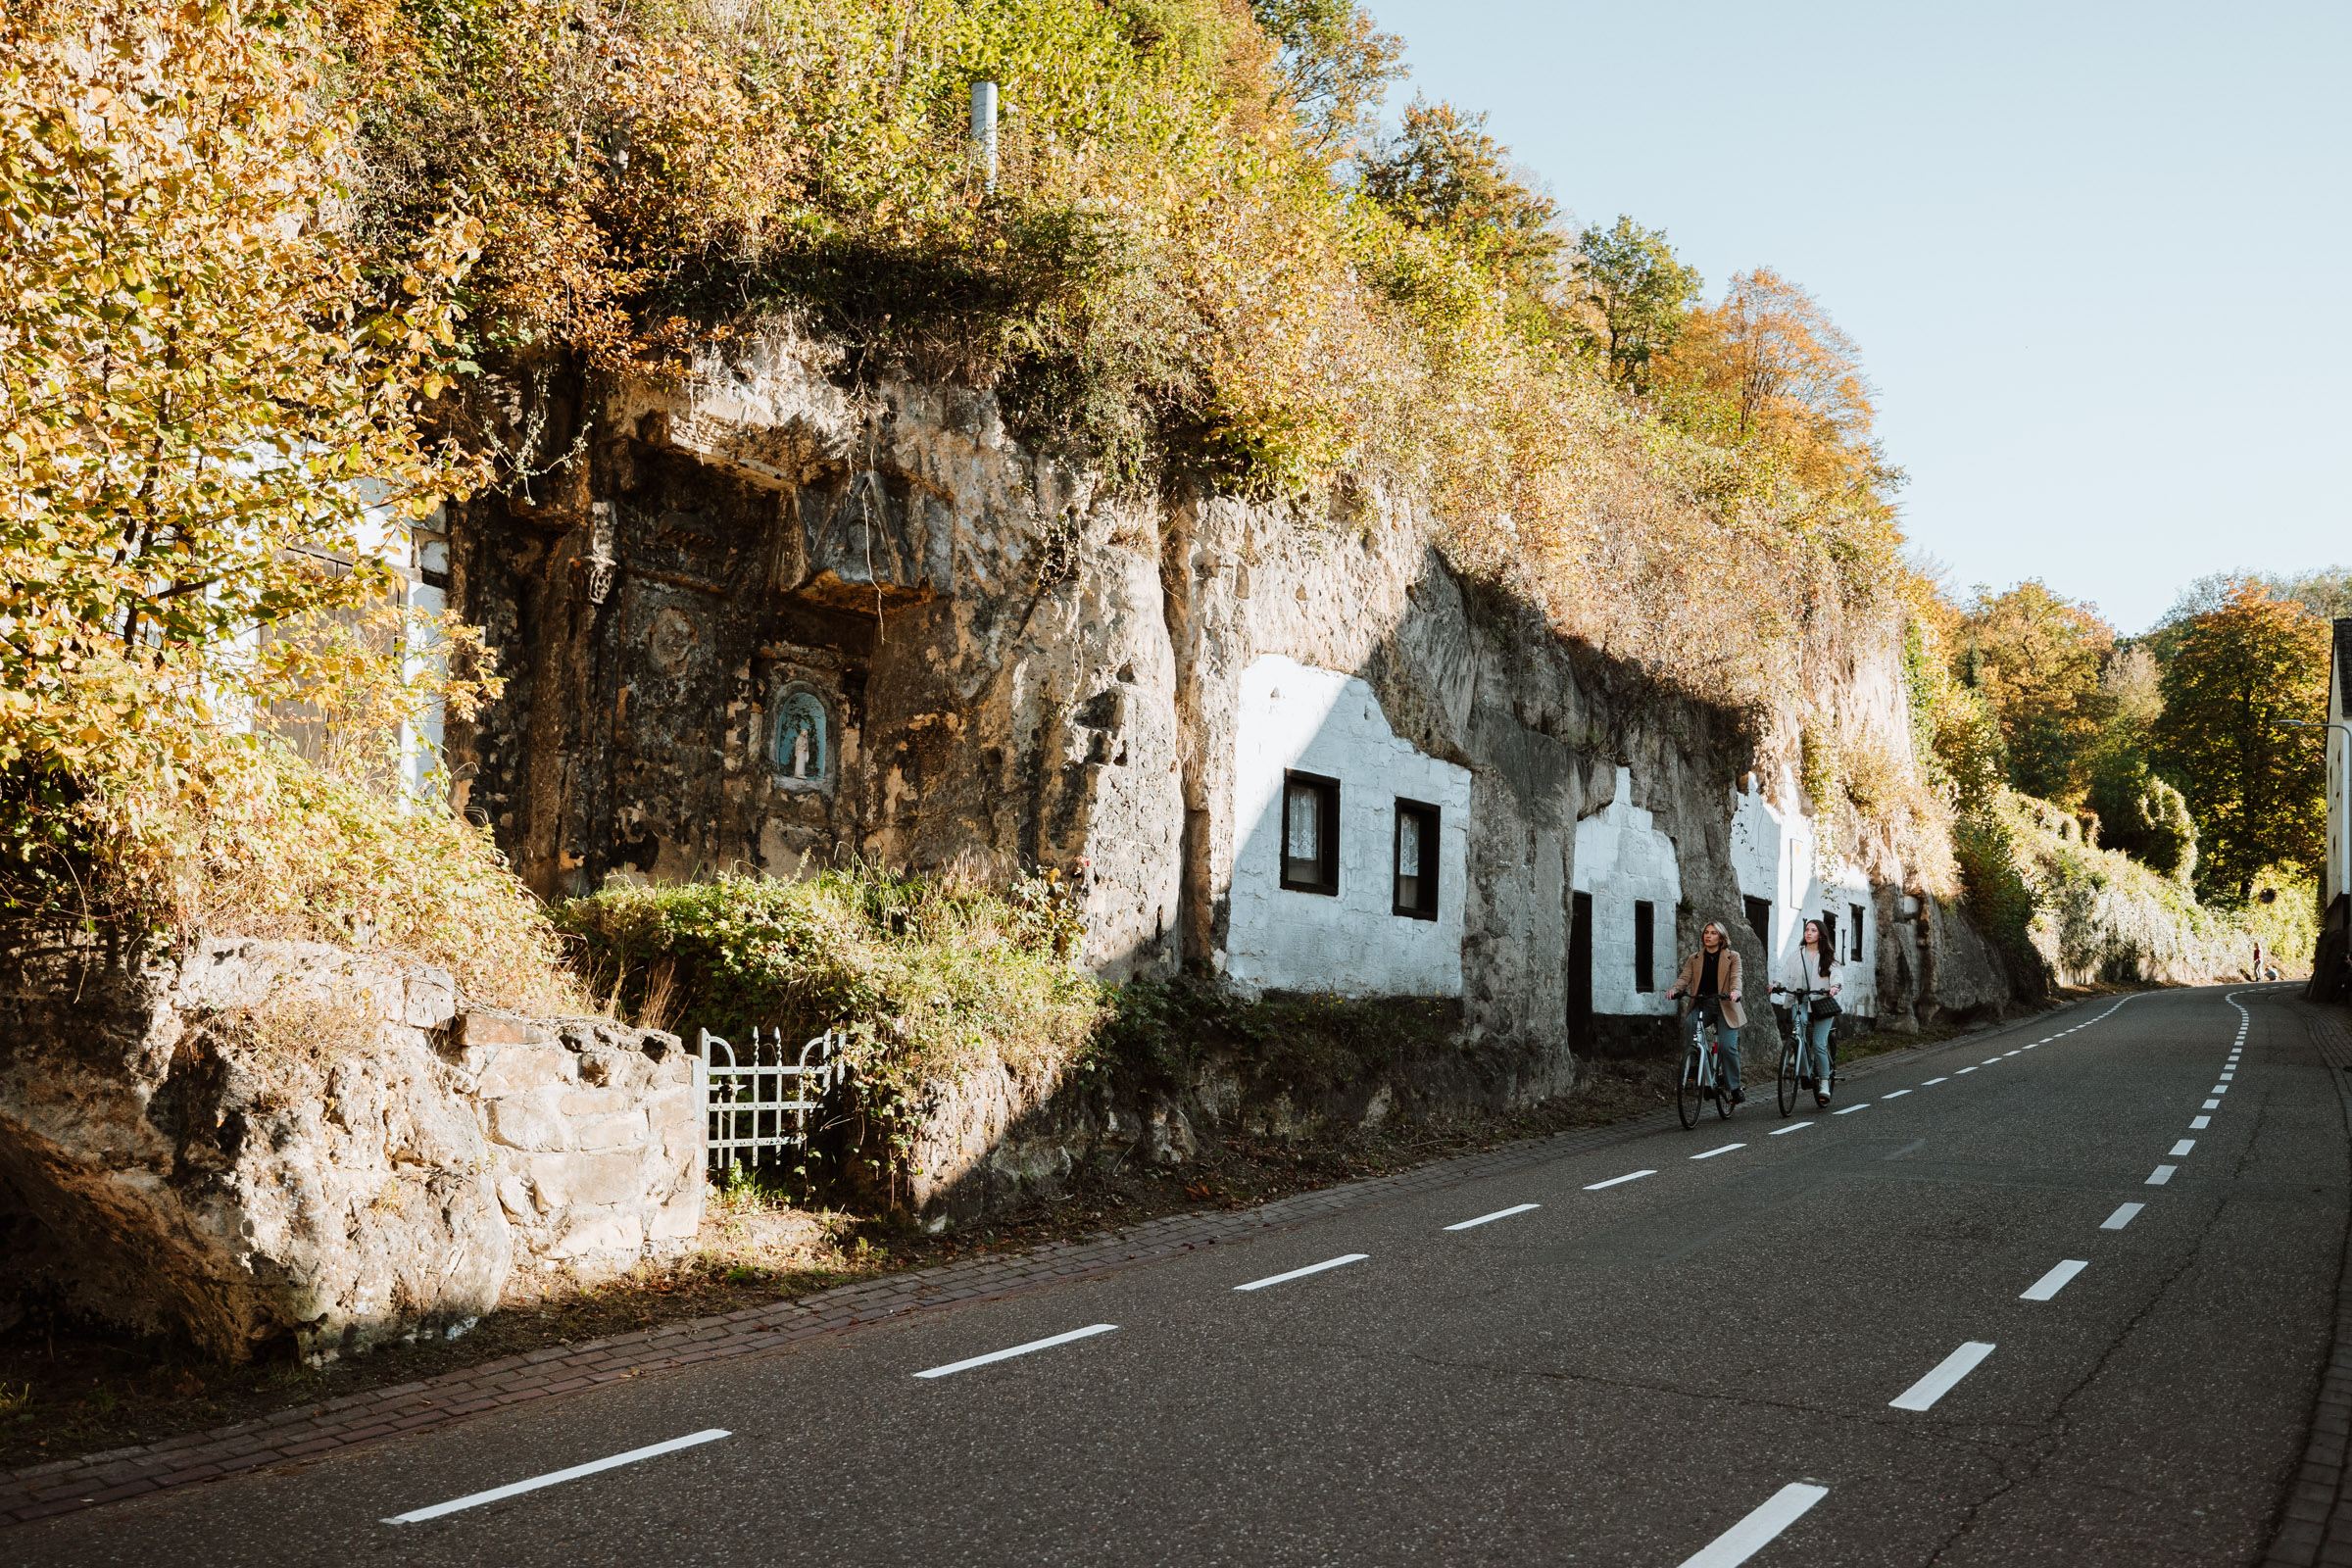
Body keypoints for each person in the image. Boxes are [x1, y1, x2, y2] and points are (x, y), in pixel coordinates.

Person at [1668, 920, 1745, 1105]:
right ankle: (1694, 1067)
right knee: (1690, 1024)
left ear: (1721, 938)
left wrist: (1736, 991)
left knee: (1727, 1047)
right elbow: (1685, 977)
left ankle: (1734, 1087)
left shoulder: (1732, 957)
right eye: (1706, 932)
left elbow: (1736, 977)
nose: (1708, 936)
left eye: (1713, 933)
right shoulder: (1694, 958)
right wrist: (1675, 989)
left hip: (1726, 1004)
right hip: (1704, 1004)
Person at [1773, 917, 1841, 1108]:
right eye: (1806, 930)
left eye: (1812, 930)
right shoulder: (1797, 954)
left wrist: (1834, 987)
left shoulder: (1828, 955)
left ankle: (1824, 1083)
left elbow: (1836, 974)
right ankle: (1801, 1060)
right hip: (1801, 999)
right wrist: (1776, 985)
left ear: (1820, 934)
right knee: (1799, 1026)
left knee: (1819, 1044)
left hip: (1822, 1001)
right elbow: (1784, 972)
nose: (1808, 933)